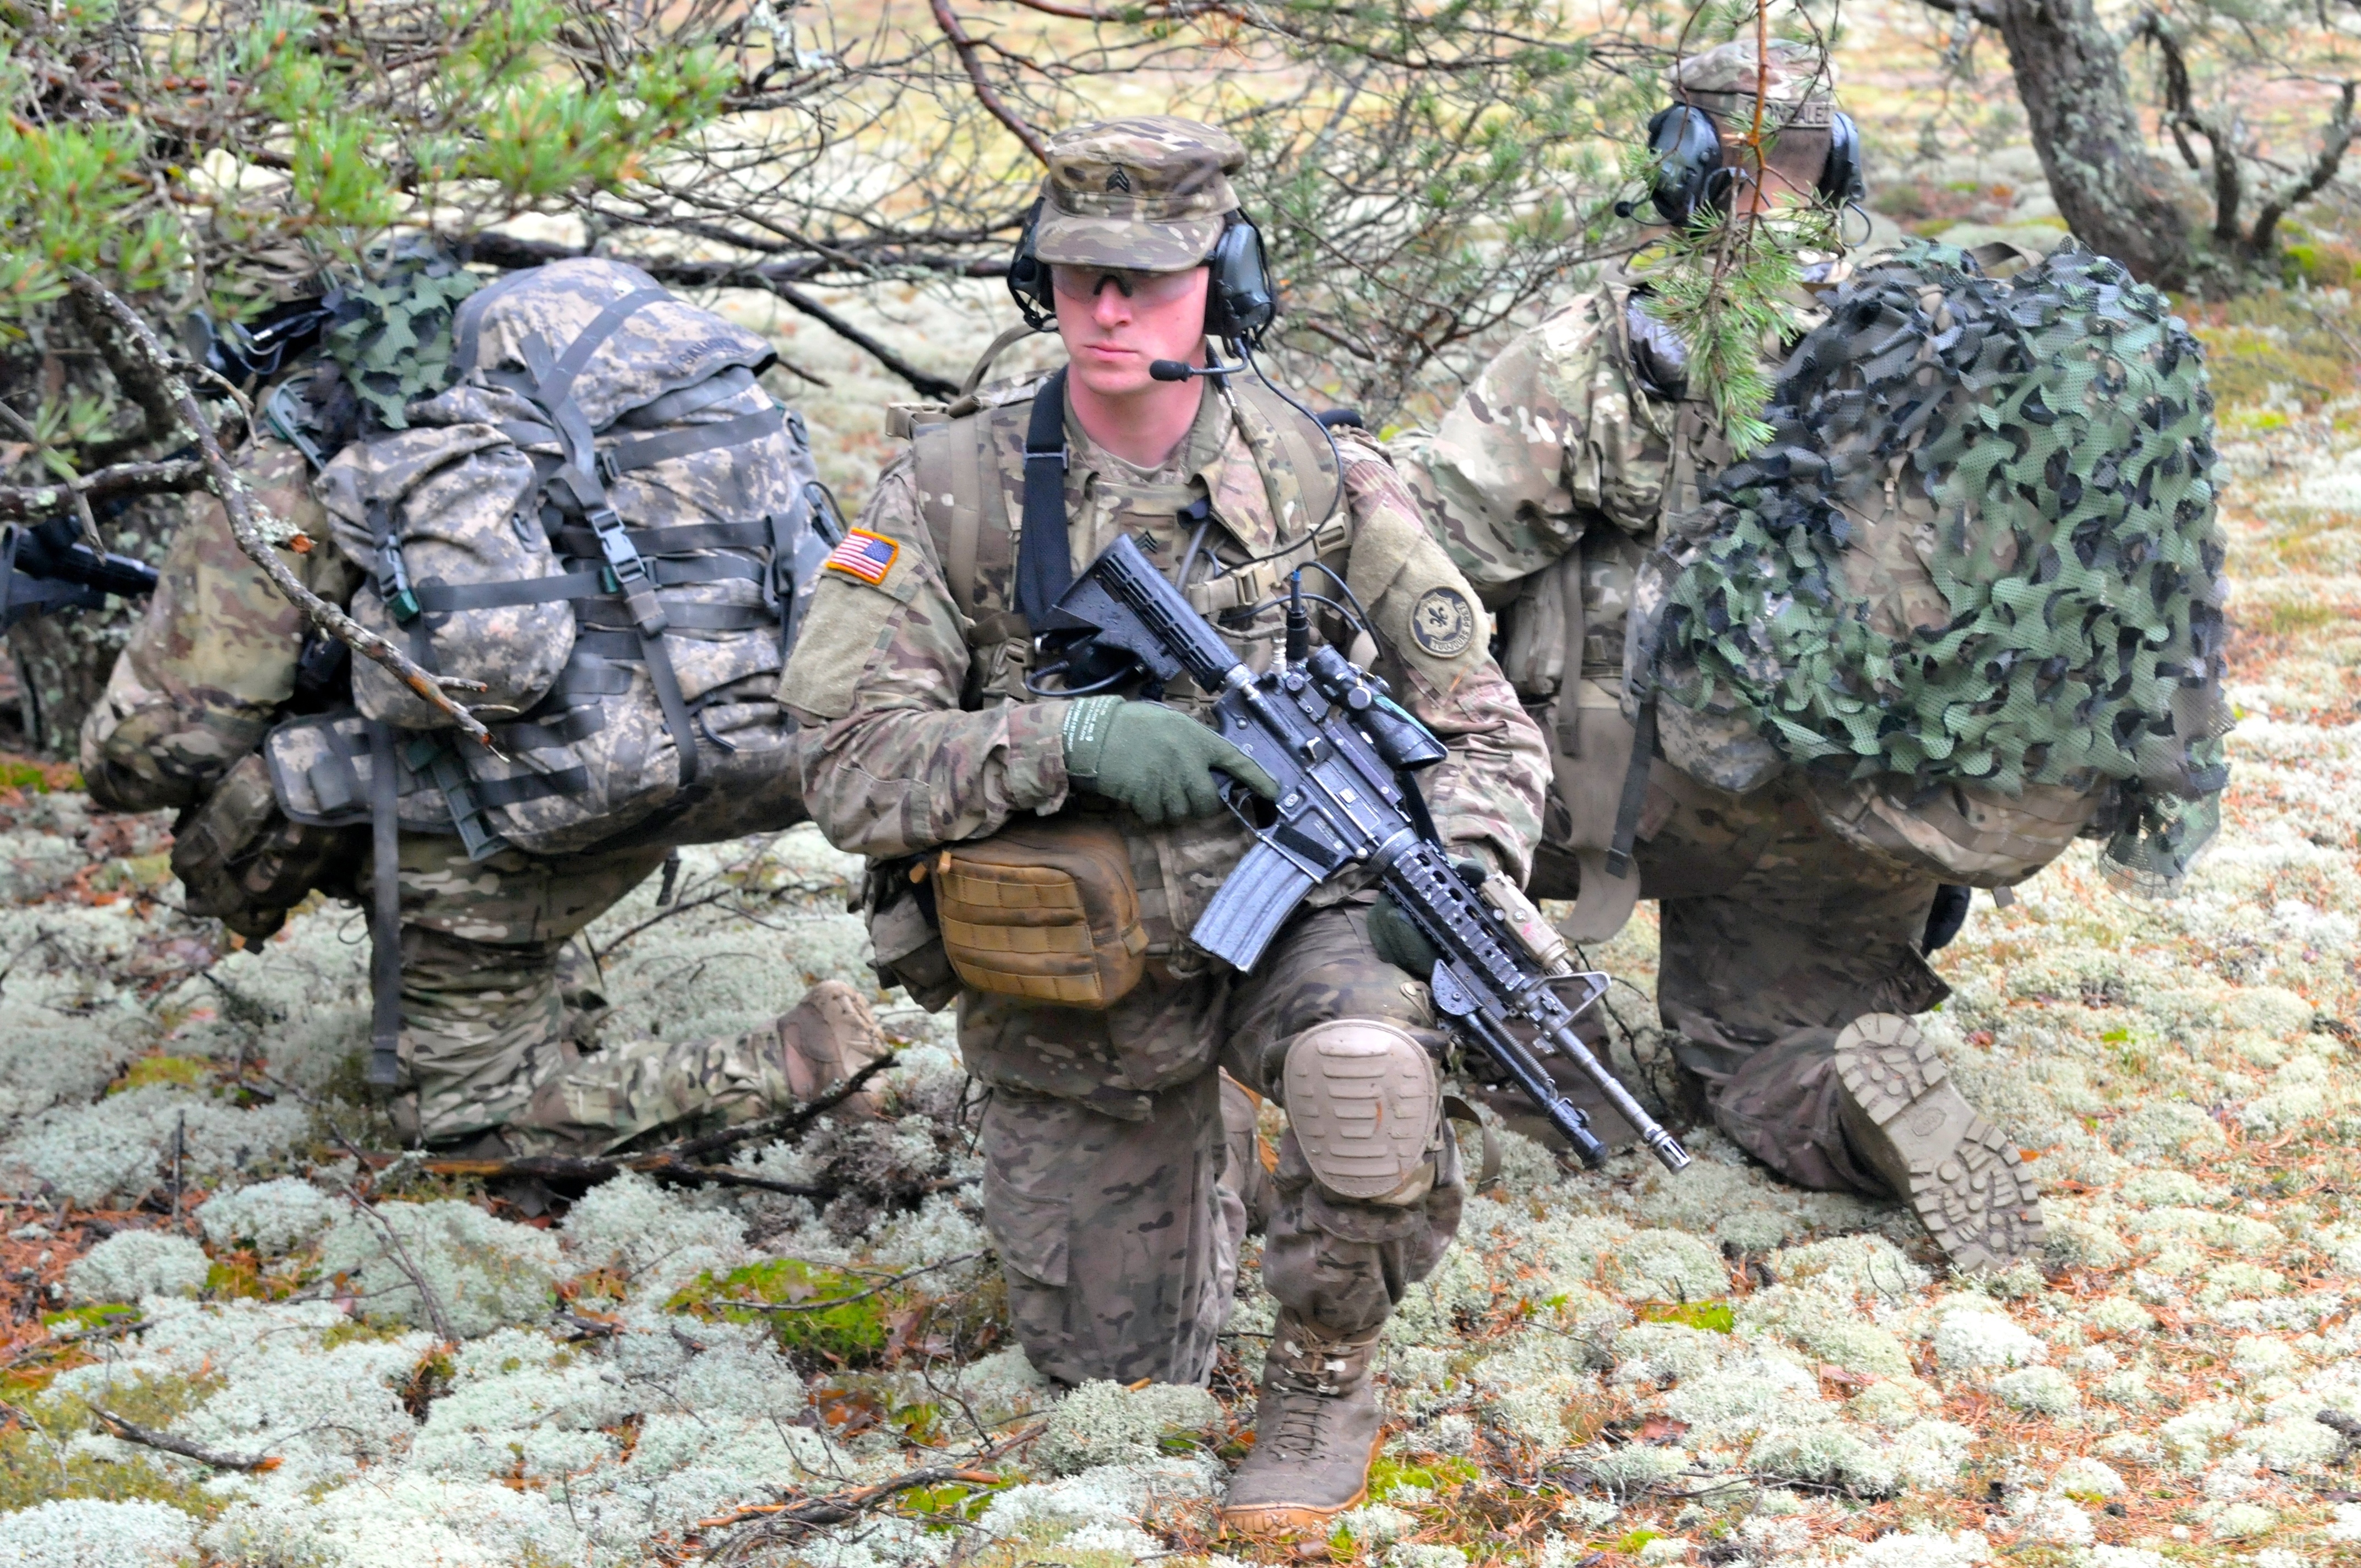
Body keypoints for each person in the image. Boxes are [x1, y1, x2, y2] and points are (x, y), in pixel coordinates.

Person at [782, 116, 1548, 1533]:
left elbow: (1485, 722)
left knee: (1366, 1077)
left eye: (1148, 278)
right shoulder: (948, 491)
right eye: (1078, 278)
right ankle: (1187, 1207)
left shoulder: (1321, 476)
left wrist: (1467, 862)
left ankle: (1323, 1369)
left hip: (1295, 922)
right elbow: (839, 759)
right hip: (1072, 976)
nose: (1110, 310)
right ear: (1039, 283)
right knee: (1117, 1387)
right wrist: (1062, 737)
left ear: (1228, 279)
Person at [1395, 40, 2053, 1270]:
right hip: (1872, 817)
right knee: (1765, 1058)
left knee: (1375, 753)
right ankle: (1860, 1088)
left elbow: (1435, 552)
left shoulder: (1613, 342)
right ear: (1838, 156)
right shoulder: (1955, 331)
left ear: (1682, 164)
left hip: (1631, 794)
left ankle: (1442, 1033)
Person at [80, 285, 886, 1160]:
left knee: (462, 1125)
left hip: (556, 798)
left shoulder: (322, 427)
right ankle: (531, 997)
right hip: (731, 743)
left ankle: (798, 1068)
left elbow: (172, 740)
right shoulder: (580, 385)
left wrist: (109, 759)